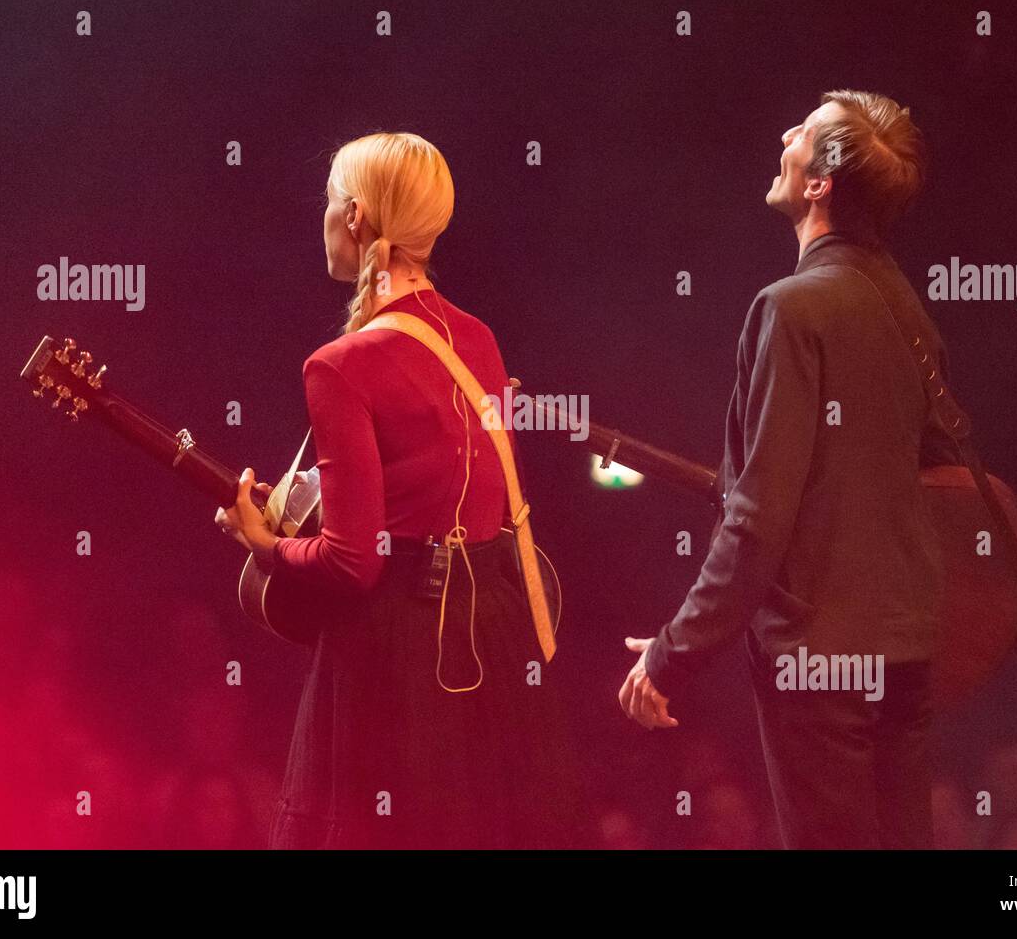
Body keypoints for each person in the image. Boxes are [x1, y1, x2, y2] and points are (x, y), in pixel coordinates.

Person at [618, 90, 959, 849]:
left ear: (819, 184)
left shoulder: (791, 308)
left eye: (803, 131)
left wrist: (674, 651)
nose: (784, 133)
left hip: (820, 661)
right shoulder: (908, 311)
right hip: (904, 651)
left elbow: (759, 518)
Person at [218, 131, 576, 849]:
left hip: (399, 661)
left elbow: (354, 562)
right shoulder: (479, 338)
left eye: (327, 202)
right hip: (491, 645)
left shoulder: (338, 365)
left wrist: (266, 544)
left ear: (354, 217)